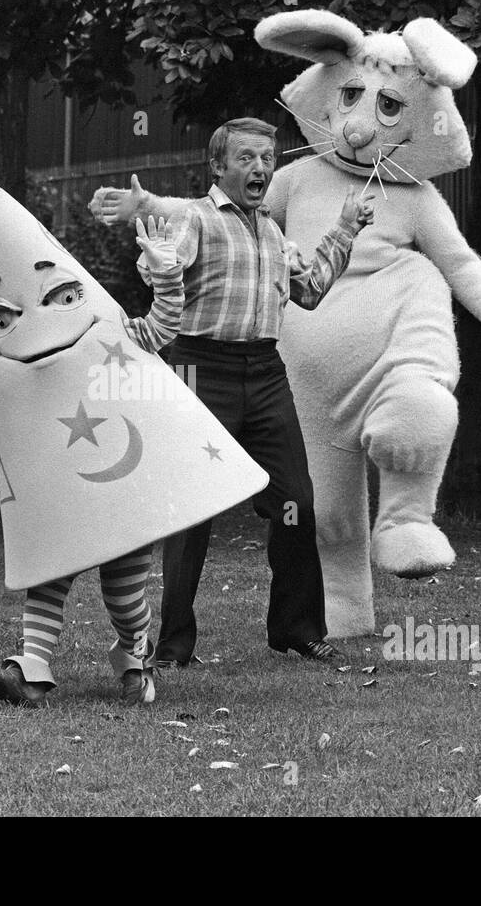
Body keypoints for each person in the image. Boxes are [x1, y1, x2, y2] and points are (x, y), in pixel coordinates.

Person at [0, 165, 269, 707]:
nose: (31, 321)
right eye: (2, 315)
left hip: (126, 490)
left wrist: (167, 276)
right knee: (49, 574)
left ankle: (134, 654)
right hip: (57, 497)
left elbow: (162, 330)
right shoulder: (10, 373)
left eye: (60, 298)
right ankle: (31, 671)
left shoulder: (114, 332)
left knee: (124, 591)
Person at [128, 117, 374, 666]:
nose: (261, 167)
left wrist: (345, 228)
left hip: (265, 373)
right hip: (199, 370)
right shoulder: (194, 218)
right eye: (247, 158)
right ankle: (172, 645)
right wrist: (158, 260)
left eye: (268, 158)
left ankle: (295, 627)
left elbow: (307, 292)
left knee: (296, 502)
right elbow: (157, 271)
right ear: (218, 166)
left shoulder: (270, 231)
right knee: (193, 512)